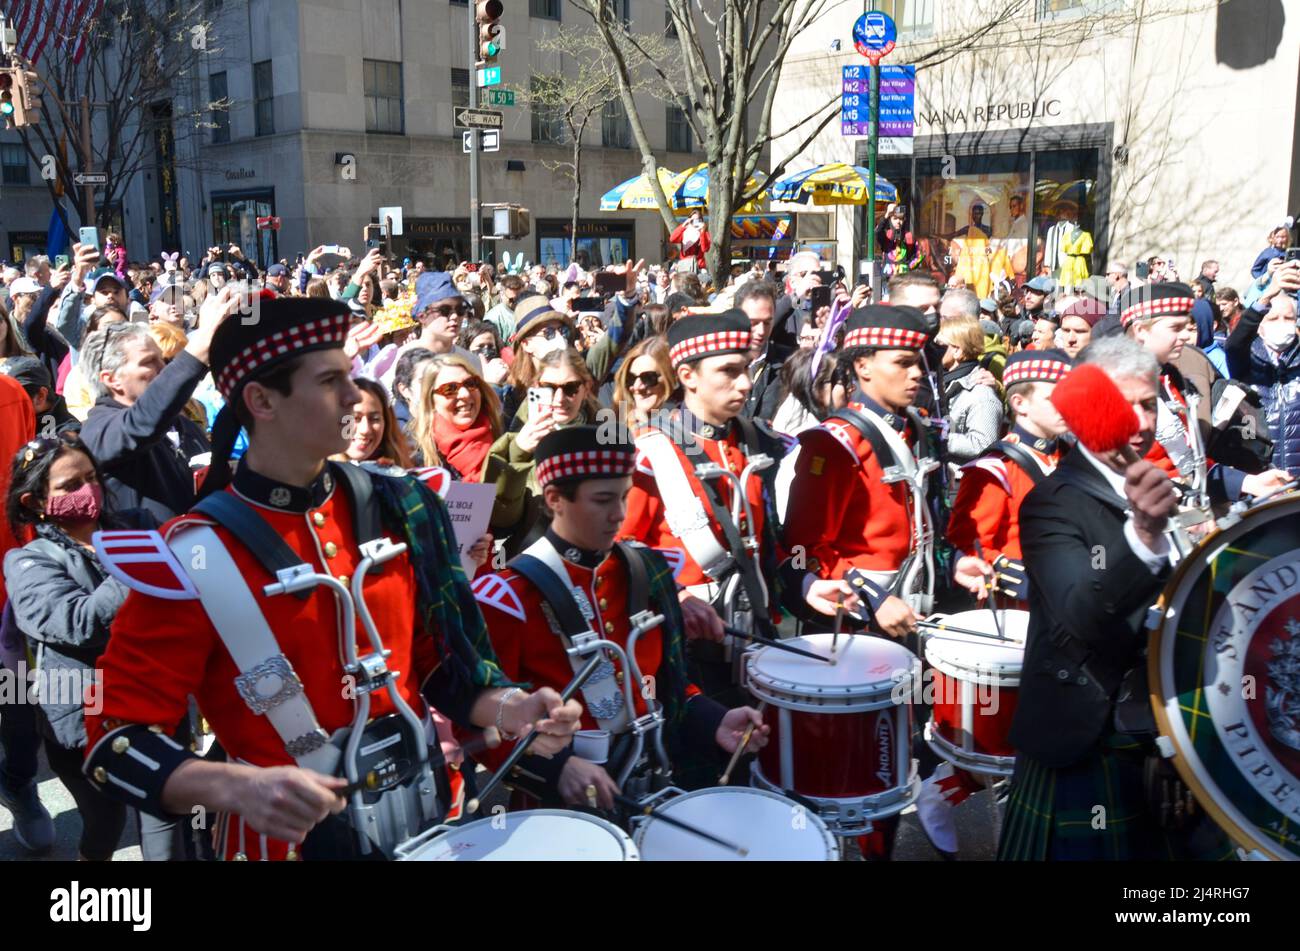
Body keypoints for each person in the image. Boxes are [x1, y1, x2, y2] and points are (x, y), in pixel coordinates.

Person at [82, 295, 582, 861]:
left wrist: (509, 708)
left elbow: (444, 666)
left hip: (421, 817)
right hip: (283, 846)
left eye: (349, 374)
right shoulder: (195, 552)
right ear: (261, 400)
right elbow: (114, 740)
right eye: (330, 381)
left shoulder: (405, 504)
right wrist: (229, 786)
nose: (354, 395)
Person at [998, 335, 1235, 861]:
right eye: (1124, 403)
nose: (1142, 421)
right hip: (1090, 732)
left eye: (1148, 403)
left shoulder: (1165, 488)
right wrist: (1145, 537)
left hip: (1174, 726)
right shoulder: (1051, 503)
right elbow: (1082, 614)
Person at [471, 426, 767, 807]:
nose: (620, 514)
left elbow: (662, 686)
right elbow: (485, 724)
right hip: (561, 810)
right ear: (555, 499)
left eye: (625, 497)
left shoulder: (644, 570)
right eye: (603, 500)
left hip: (654, 778)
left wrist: (713, 720)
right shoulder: (508, 597)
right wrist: (557, 767)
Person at [779, 303, 936, 860]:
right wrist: (874, 597)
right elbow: (800, 550)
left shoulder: (913, 429)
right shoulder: (836, 443)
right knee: (854, 766)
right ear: (863, 366)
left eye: (920, 359)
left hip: (909, 615)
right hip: (853, 624)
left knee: (898, 757)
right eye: (903, 361)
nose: (918, 371)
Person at [620, 311, 788, 671]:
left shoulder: (756, 440)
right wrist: (674, 594)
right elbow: (620, 550)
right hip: (684, 649)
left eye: (745, 369)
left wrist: (804, 581)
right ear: (687, 376)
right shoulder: (651, 453)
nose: (744, 384)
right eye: (729, 371)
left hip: (754, 634)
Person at [3, 434, 141, 860]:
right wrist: (140, 568)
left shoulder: (130, 528)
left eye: (92, 477)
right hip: (84, 722)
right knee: (107, 822)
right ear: (35, 502)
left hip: (155, 702)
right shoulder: (29, 562)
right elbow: (80, 623)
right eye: (69, 486)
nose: (89, 490)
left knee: (169, 816)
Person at [1121, 282, 1290, 504]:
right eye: (1175, 328)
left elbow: (1188, 465)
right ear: (1141, 330)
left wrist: (1250, 482)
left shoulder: (1170, 380)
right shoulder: (1115, 387)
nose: (1185, 335)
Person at [1224, 259, 1300, 474]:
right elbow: (1234, 343)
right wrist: (1266, 296)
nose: (1282, 323)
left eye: (1288, 318)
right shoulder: (1247, 357)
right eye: (1273, 318)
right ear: (1260, 325)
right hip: (1262, 473)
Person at [411, 353, 502, 479]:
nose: (464, 394)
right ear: (431, 401)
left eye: (470, 383)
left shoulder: (500, 430)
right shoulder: (421, 460)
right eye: (450, 389)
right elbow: (482, 498)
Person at [938, 318, 1003, 464]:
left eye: (940, 345)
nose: (934, 349)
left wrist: (936, 436)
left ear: (957, 350)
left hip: (961, 481)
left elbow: (984, 444)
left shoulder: (982, 394)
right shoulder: (943, 380)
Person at [336, 377, 414, 468]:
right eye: (355, 418)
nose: (365, 430)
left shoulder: (403, 475)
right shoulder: (318, 474)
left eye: (375, 419)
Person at [737, 280, 786, 422]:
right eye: (753, 323)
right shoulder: (718, 365)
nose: (761, 331)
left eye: (767, 322)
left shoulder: (788, 364)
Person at [612, 337, 676, 428]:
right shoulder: (615, 428)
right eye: (631, 378)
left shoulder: (688, 426)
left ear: (671, 378)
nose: (637, 387)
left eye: (648, 378)